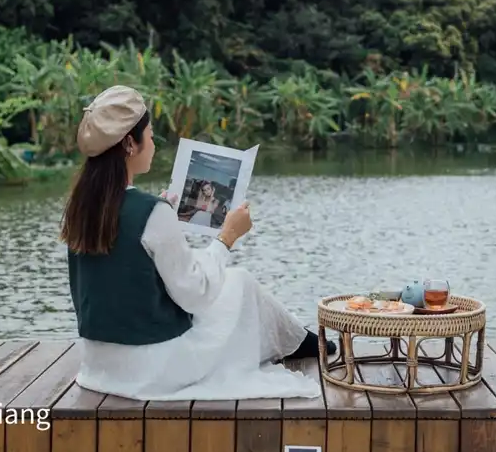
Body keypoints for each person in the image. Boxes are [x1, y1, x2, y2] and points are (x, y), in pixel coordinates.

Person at [60, 85, 331, 400]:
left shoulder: (79, 208)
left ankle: (300, 338)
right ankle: (302, 341)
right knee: (240, 282)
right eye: (150, 136)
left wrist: (162, 216)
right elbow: (196, 295)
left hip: (100, 365)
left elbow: (124, 272)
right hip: (153, 369)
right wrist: (226, 237)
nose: (154, 146)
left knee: (229, 284)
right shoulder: (150, 213)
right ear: (129, 144)